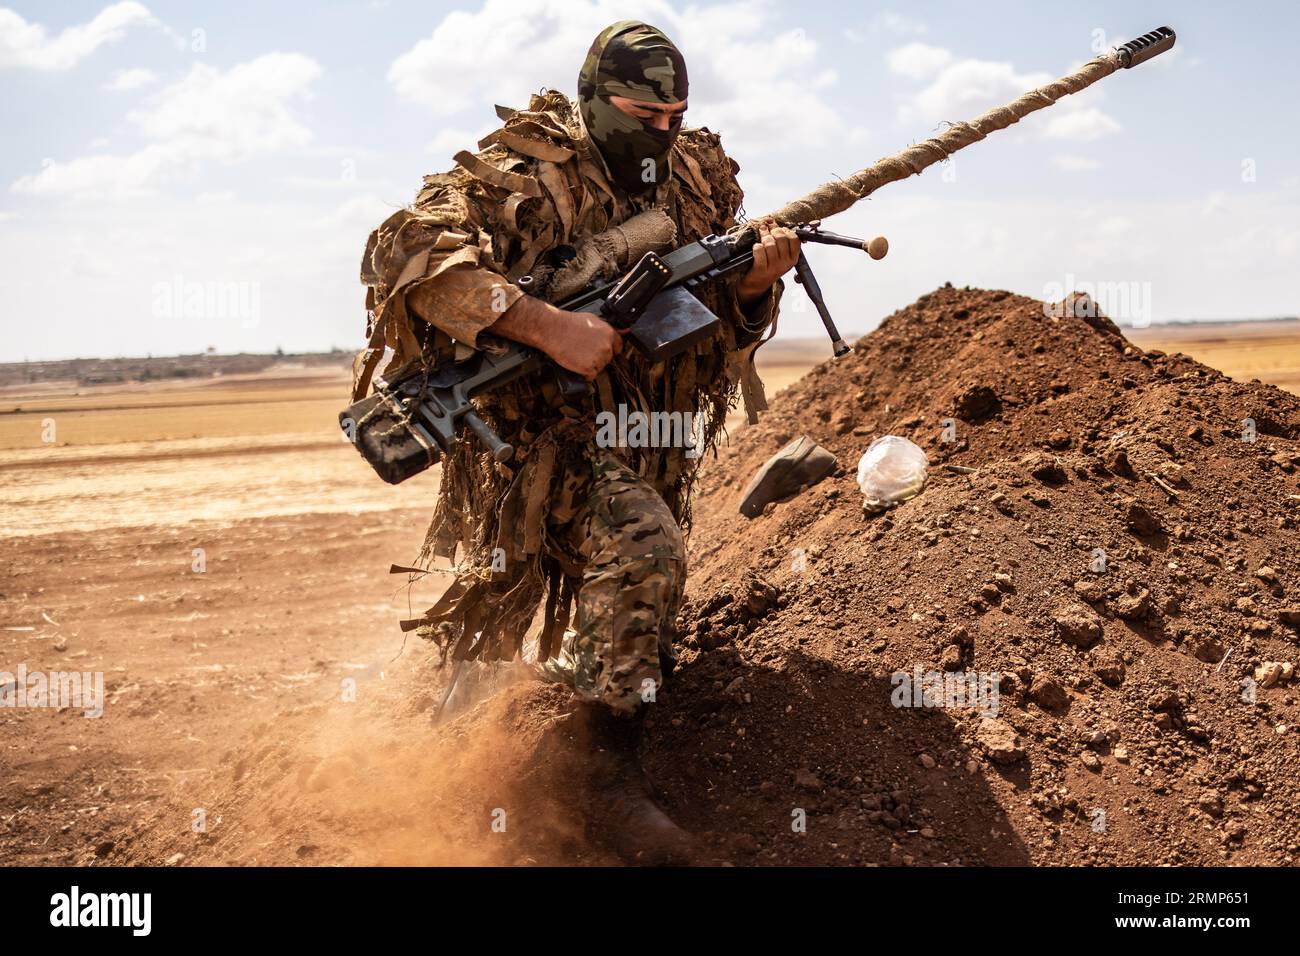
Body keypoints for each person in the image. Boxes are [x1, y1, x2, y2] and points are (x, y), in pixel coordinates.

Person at [355, 19, 799, 863]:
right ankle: (603, 784)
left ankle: (519, 732)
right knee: (642, 547)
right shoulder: (525, 172)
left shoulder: (697, 178)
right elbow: (401, 252)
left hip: (652, 433)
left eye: (676, 114)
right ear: (597, 102)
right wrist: (547, 326)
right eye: (642, 112)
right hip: (542, 438)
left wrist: (749, 288)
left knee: (643, 598)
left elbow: (722, 338)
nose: (662, 132)